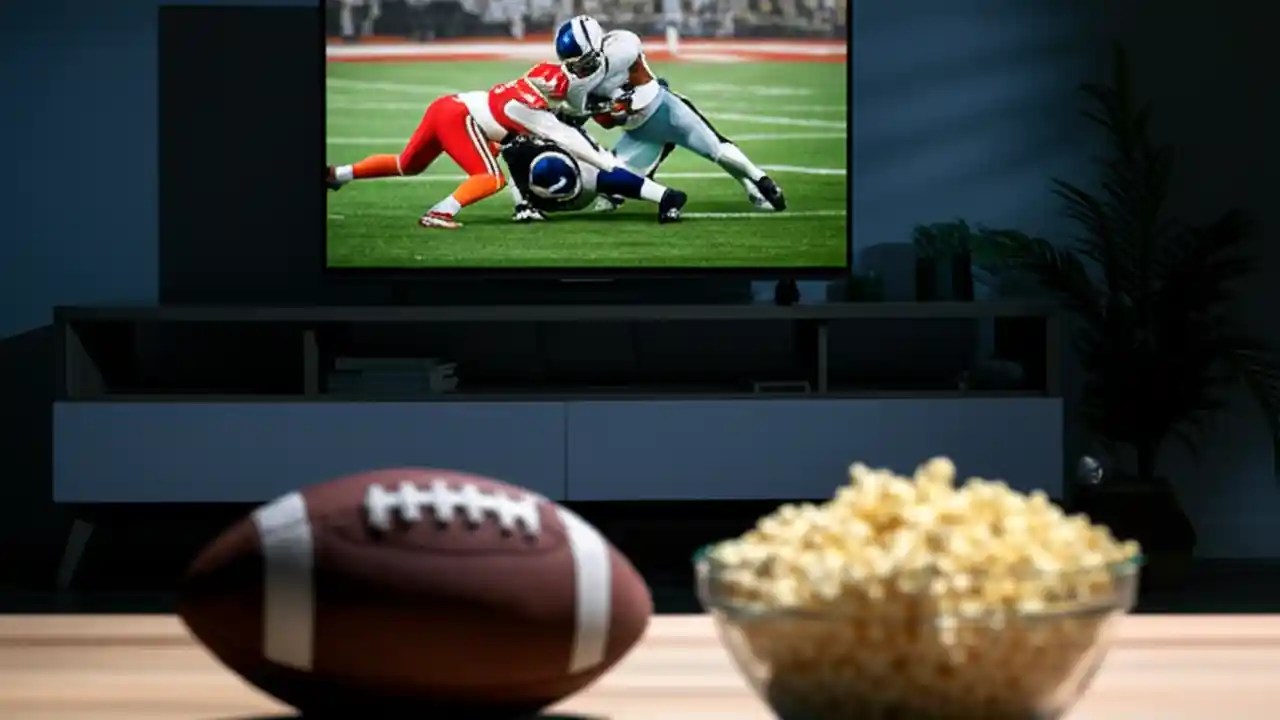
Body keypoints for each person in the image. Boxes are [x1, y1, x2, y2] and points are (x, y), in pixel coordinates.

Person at [325, 59, 682, 229]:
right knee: (489, 178)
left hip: (448, 107)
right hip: (460, 116)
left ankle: (338, 174)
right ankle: (439, 212)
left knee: (408, 164)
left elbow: (556, 106)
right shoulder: (535, 113)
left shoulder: (529, 86)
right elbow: (570, 135)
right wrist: (607, 161)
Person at [551, 14, 786, 213]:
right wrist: (608, 110)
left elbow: (633, 77)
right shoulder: (581, 81)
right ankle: (636, 188)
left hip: (666, 110)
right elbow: (607, 123)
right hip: (639, 133)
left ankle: (760, 181)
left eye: (584, 61)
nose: (580, 69)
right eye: (574, 65)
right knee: (613, 181)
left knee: (716, 149)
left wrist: (611, 99)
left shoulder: (621, 45)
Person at [501, 134, 686, 222]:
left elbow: (673, 196)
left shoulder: (594, 175)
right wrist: (522, 205)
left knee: (623, 174)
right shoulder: (522, 157)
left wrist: (666, 198)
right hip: (552, 153)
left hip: (590, 170)